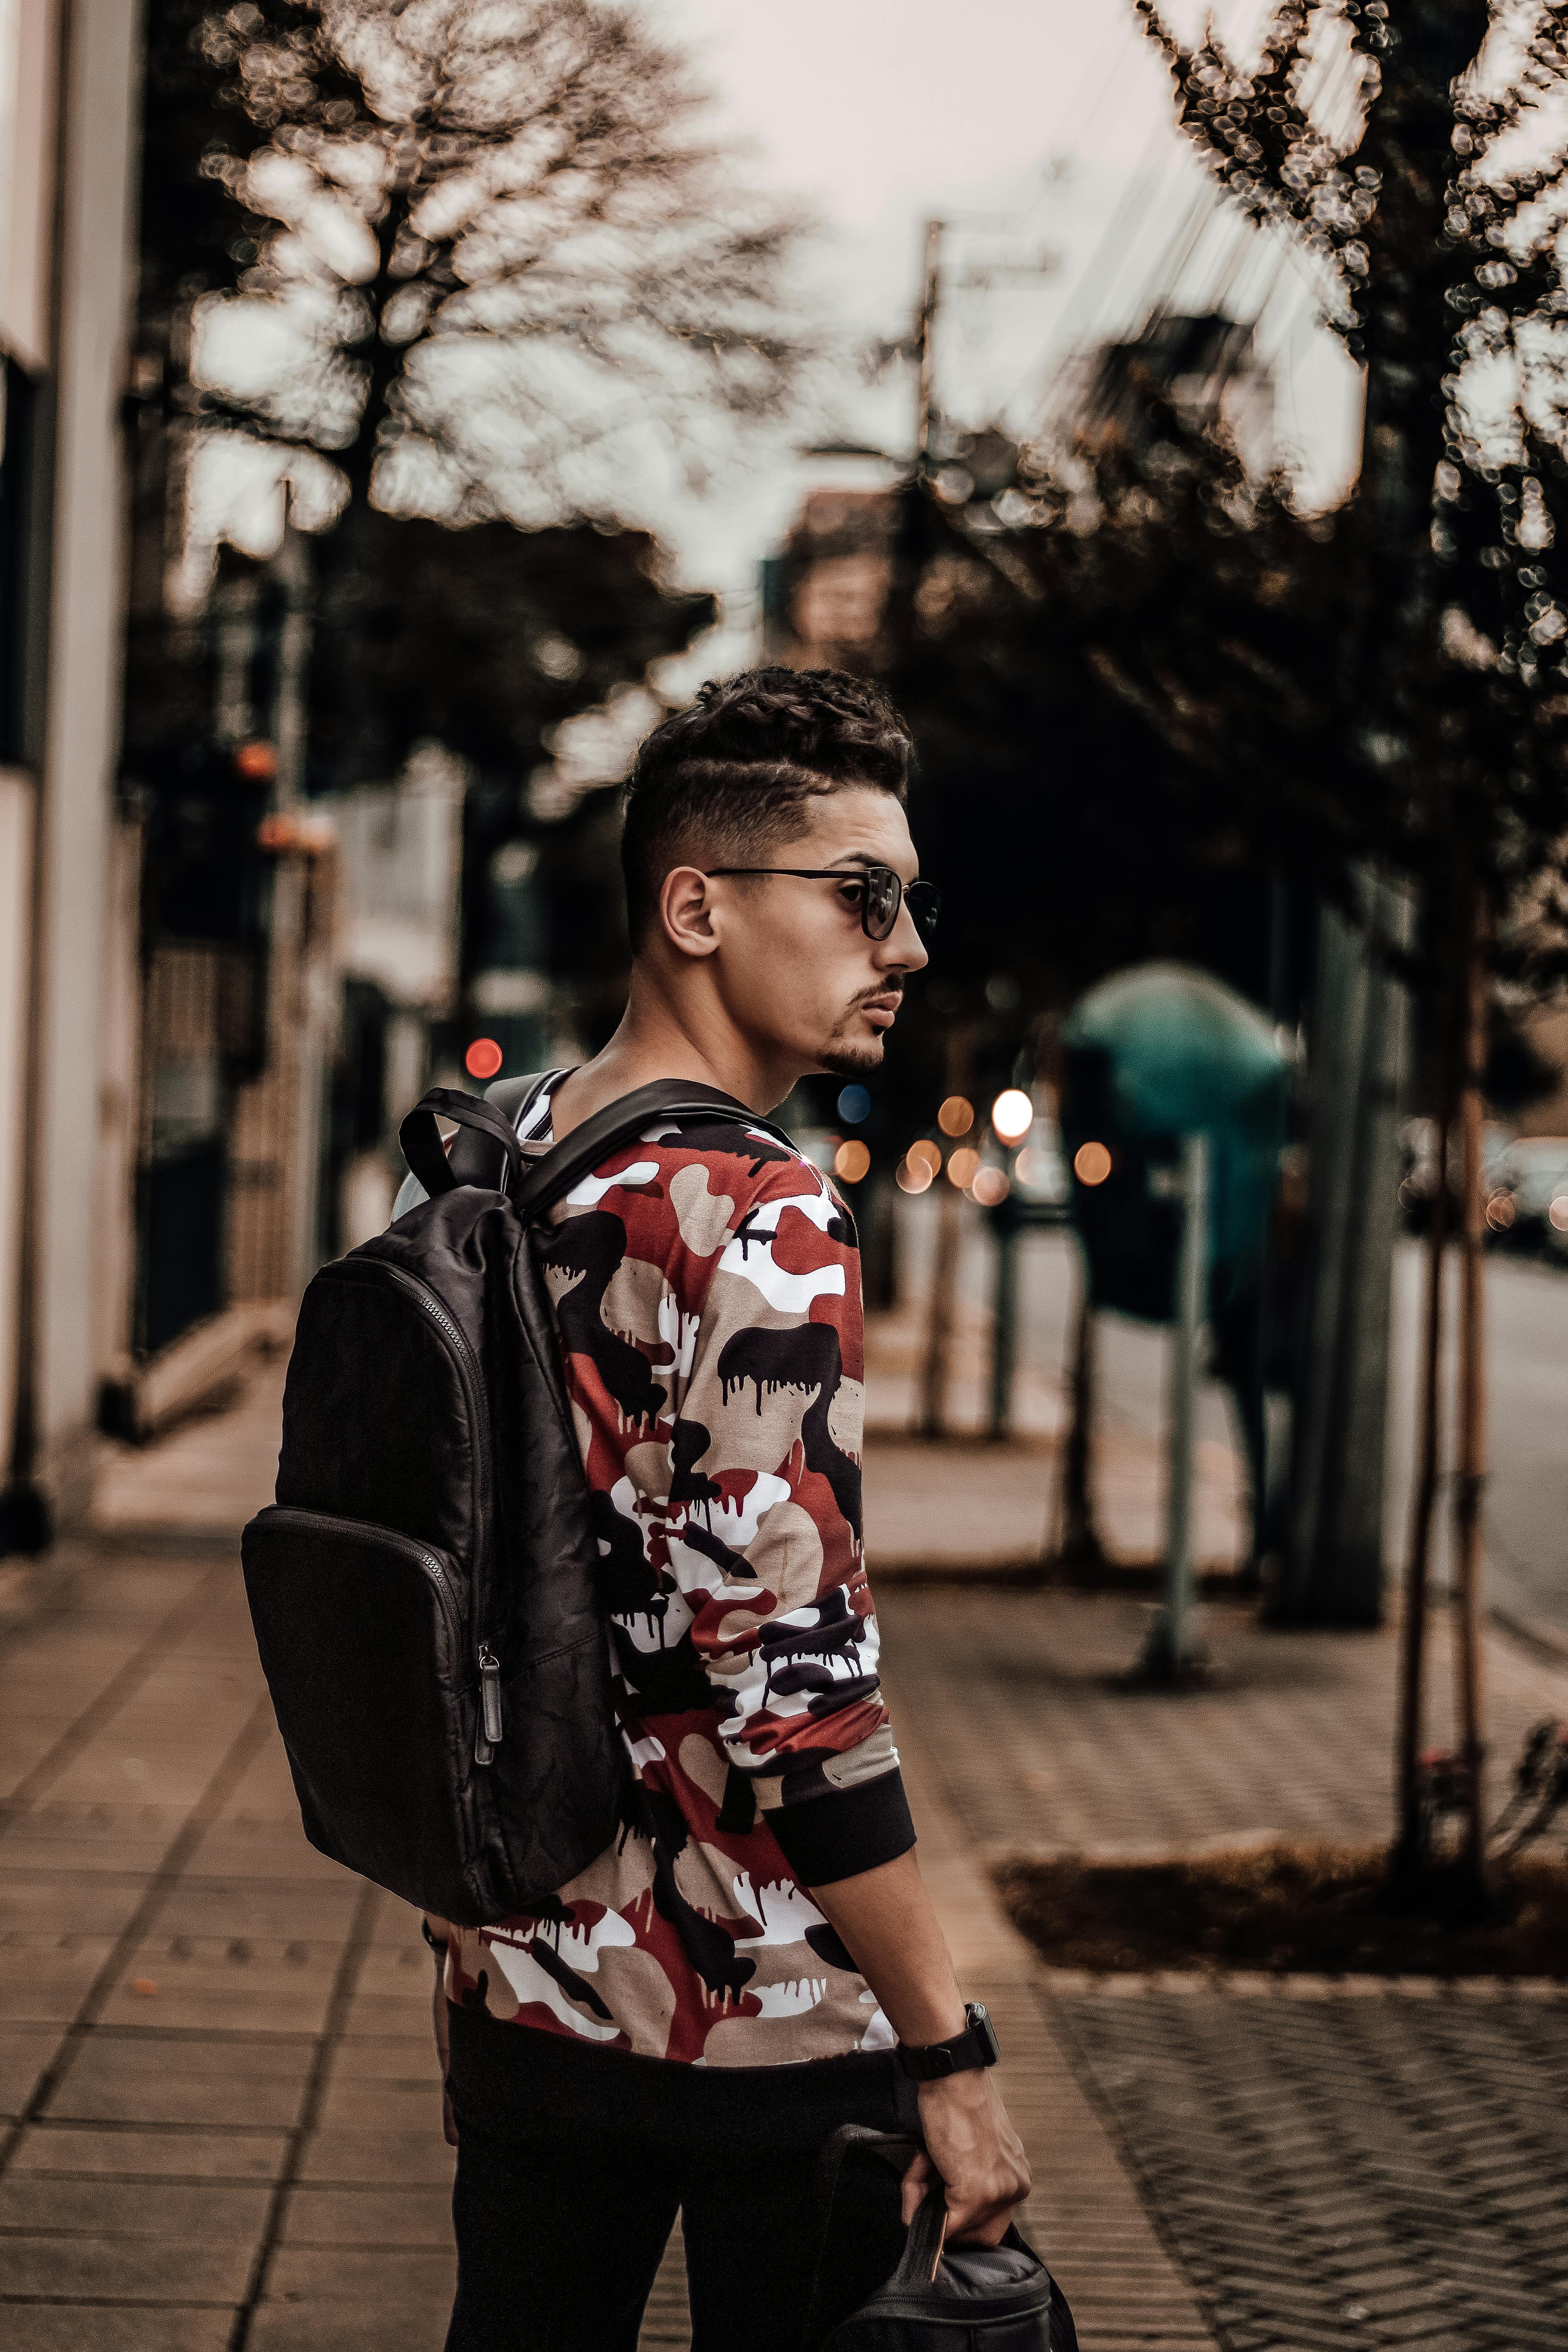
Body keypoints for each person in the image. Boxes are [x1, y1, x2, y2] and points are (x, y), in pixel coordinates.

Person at [422, 667, 1029, 2351]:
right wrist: (948, 2044)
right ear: (696, 908)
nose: (906, 949)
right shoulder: (763, 1211)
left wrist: (455, 1900)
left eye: (910, 904)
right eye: (865, 897)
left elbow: (441, 1569)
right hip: (767, 2022)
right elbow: (794, 1689)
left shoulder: (499, 1155)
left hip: (522, 1978)